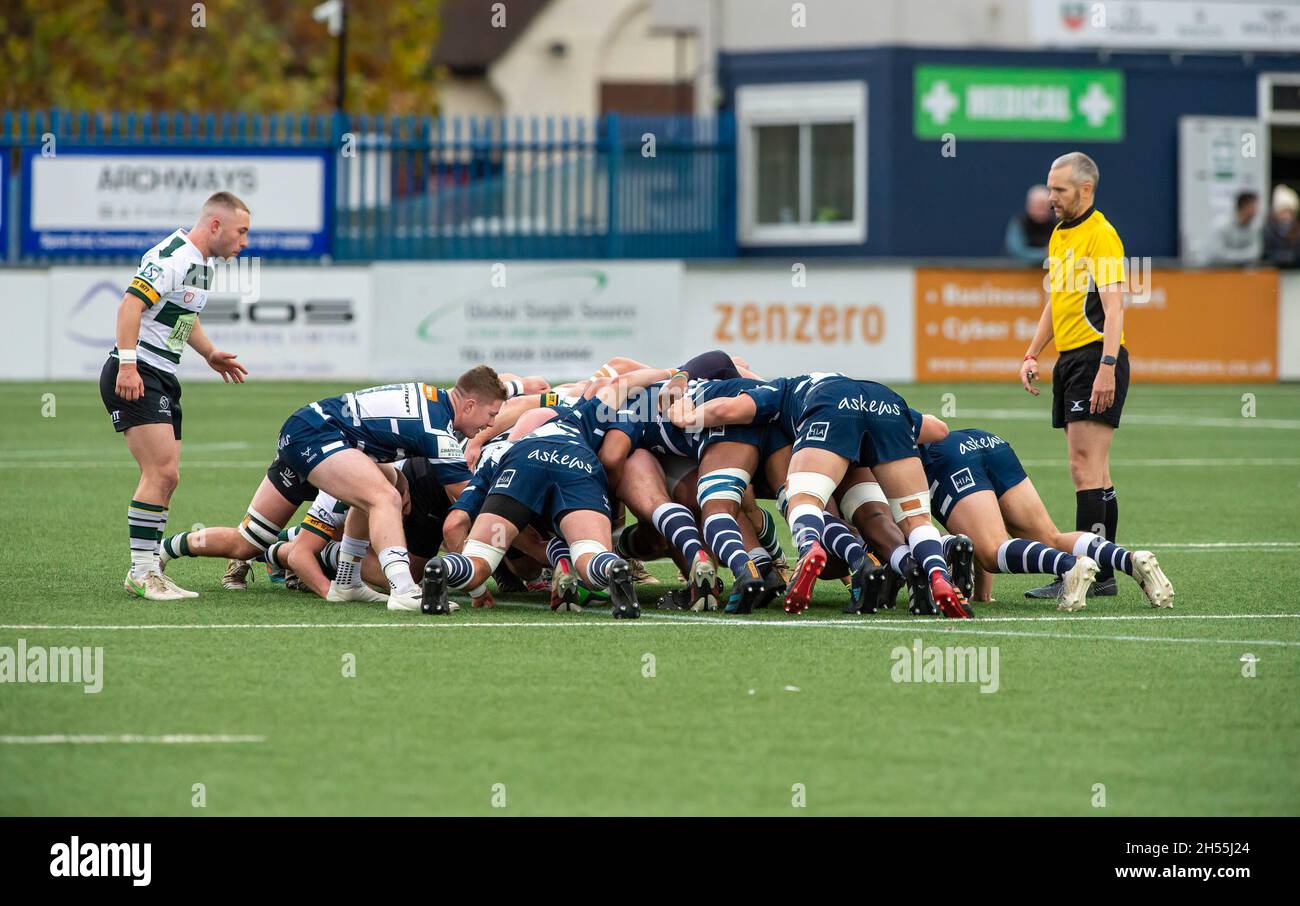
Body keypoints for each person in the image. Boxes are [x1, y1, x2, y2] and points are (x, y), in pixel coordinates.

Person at [101, 192, 250, 600]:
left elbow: (184, 316)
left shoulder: (202, 264)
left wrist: (209, 353)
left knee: (168, 476)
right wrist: (129, 364)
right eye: (241, 232)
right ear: (215, 225)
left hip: (162, 374)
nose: (245, 242)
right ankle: (143, 571)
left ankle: (149, 570)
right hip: (139, 372)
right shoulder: (175, 255)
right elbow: (131, 304)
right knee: (161, 473)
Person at [1019, 151, 1129, 601]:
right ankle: (1100, 572)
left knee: (1085, 470)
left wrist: (1106, 367)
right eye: (1049, 188)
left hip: (1093, 359)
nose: (1051, 198)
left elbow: (1116, 305)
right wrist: (1032, 352)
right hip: (1071, 361)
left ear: (1086, 189)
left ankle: (1082, 573)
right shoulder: (1061, 234)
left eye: (1059, 190)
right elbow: (1055, 301)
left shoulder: (1101, 236)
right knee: (1094, 471)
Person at [921, 427, 1173, 611]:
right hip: (985, 441)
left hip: (947, 458)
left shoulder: (889, 455)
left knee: (992, 549)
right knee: (1050, 537)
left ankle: (1068, 566)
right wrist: (982, 595)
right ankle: (1131, 561)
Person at [1005, 185, 1056, 265]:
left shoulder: (1056, 225)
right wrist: (1044, 254)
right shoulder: (1019, 223)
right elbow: (1017, 252)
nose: (1042, 209)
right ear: (1029, 205)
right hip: (1020, 273)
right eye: (1038, 205)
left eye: (1045, 205)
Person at [1207, 190, 1261, 266]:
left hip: (1241, 272)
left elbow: (1256, 252)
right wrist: (1244, 256)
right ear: (1244, 206)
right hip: (1217, 272)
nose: (1257, 210)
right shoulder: (1221, 225)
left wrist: (1233, 256)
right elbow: (1218, 255)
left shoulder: (1254, 226)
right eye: (1254, 206)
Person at [1262, 184, 1300, 268]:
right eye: (1283, 212)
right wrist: (1288, 257)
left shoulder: (1297, 229)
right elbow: (1266, 252)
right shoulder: (1269, 229)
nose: (1286, 216)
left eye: (1290, 212)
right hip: (1273, 271)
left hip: (1295, 272)